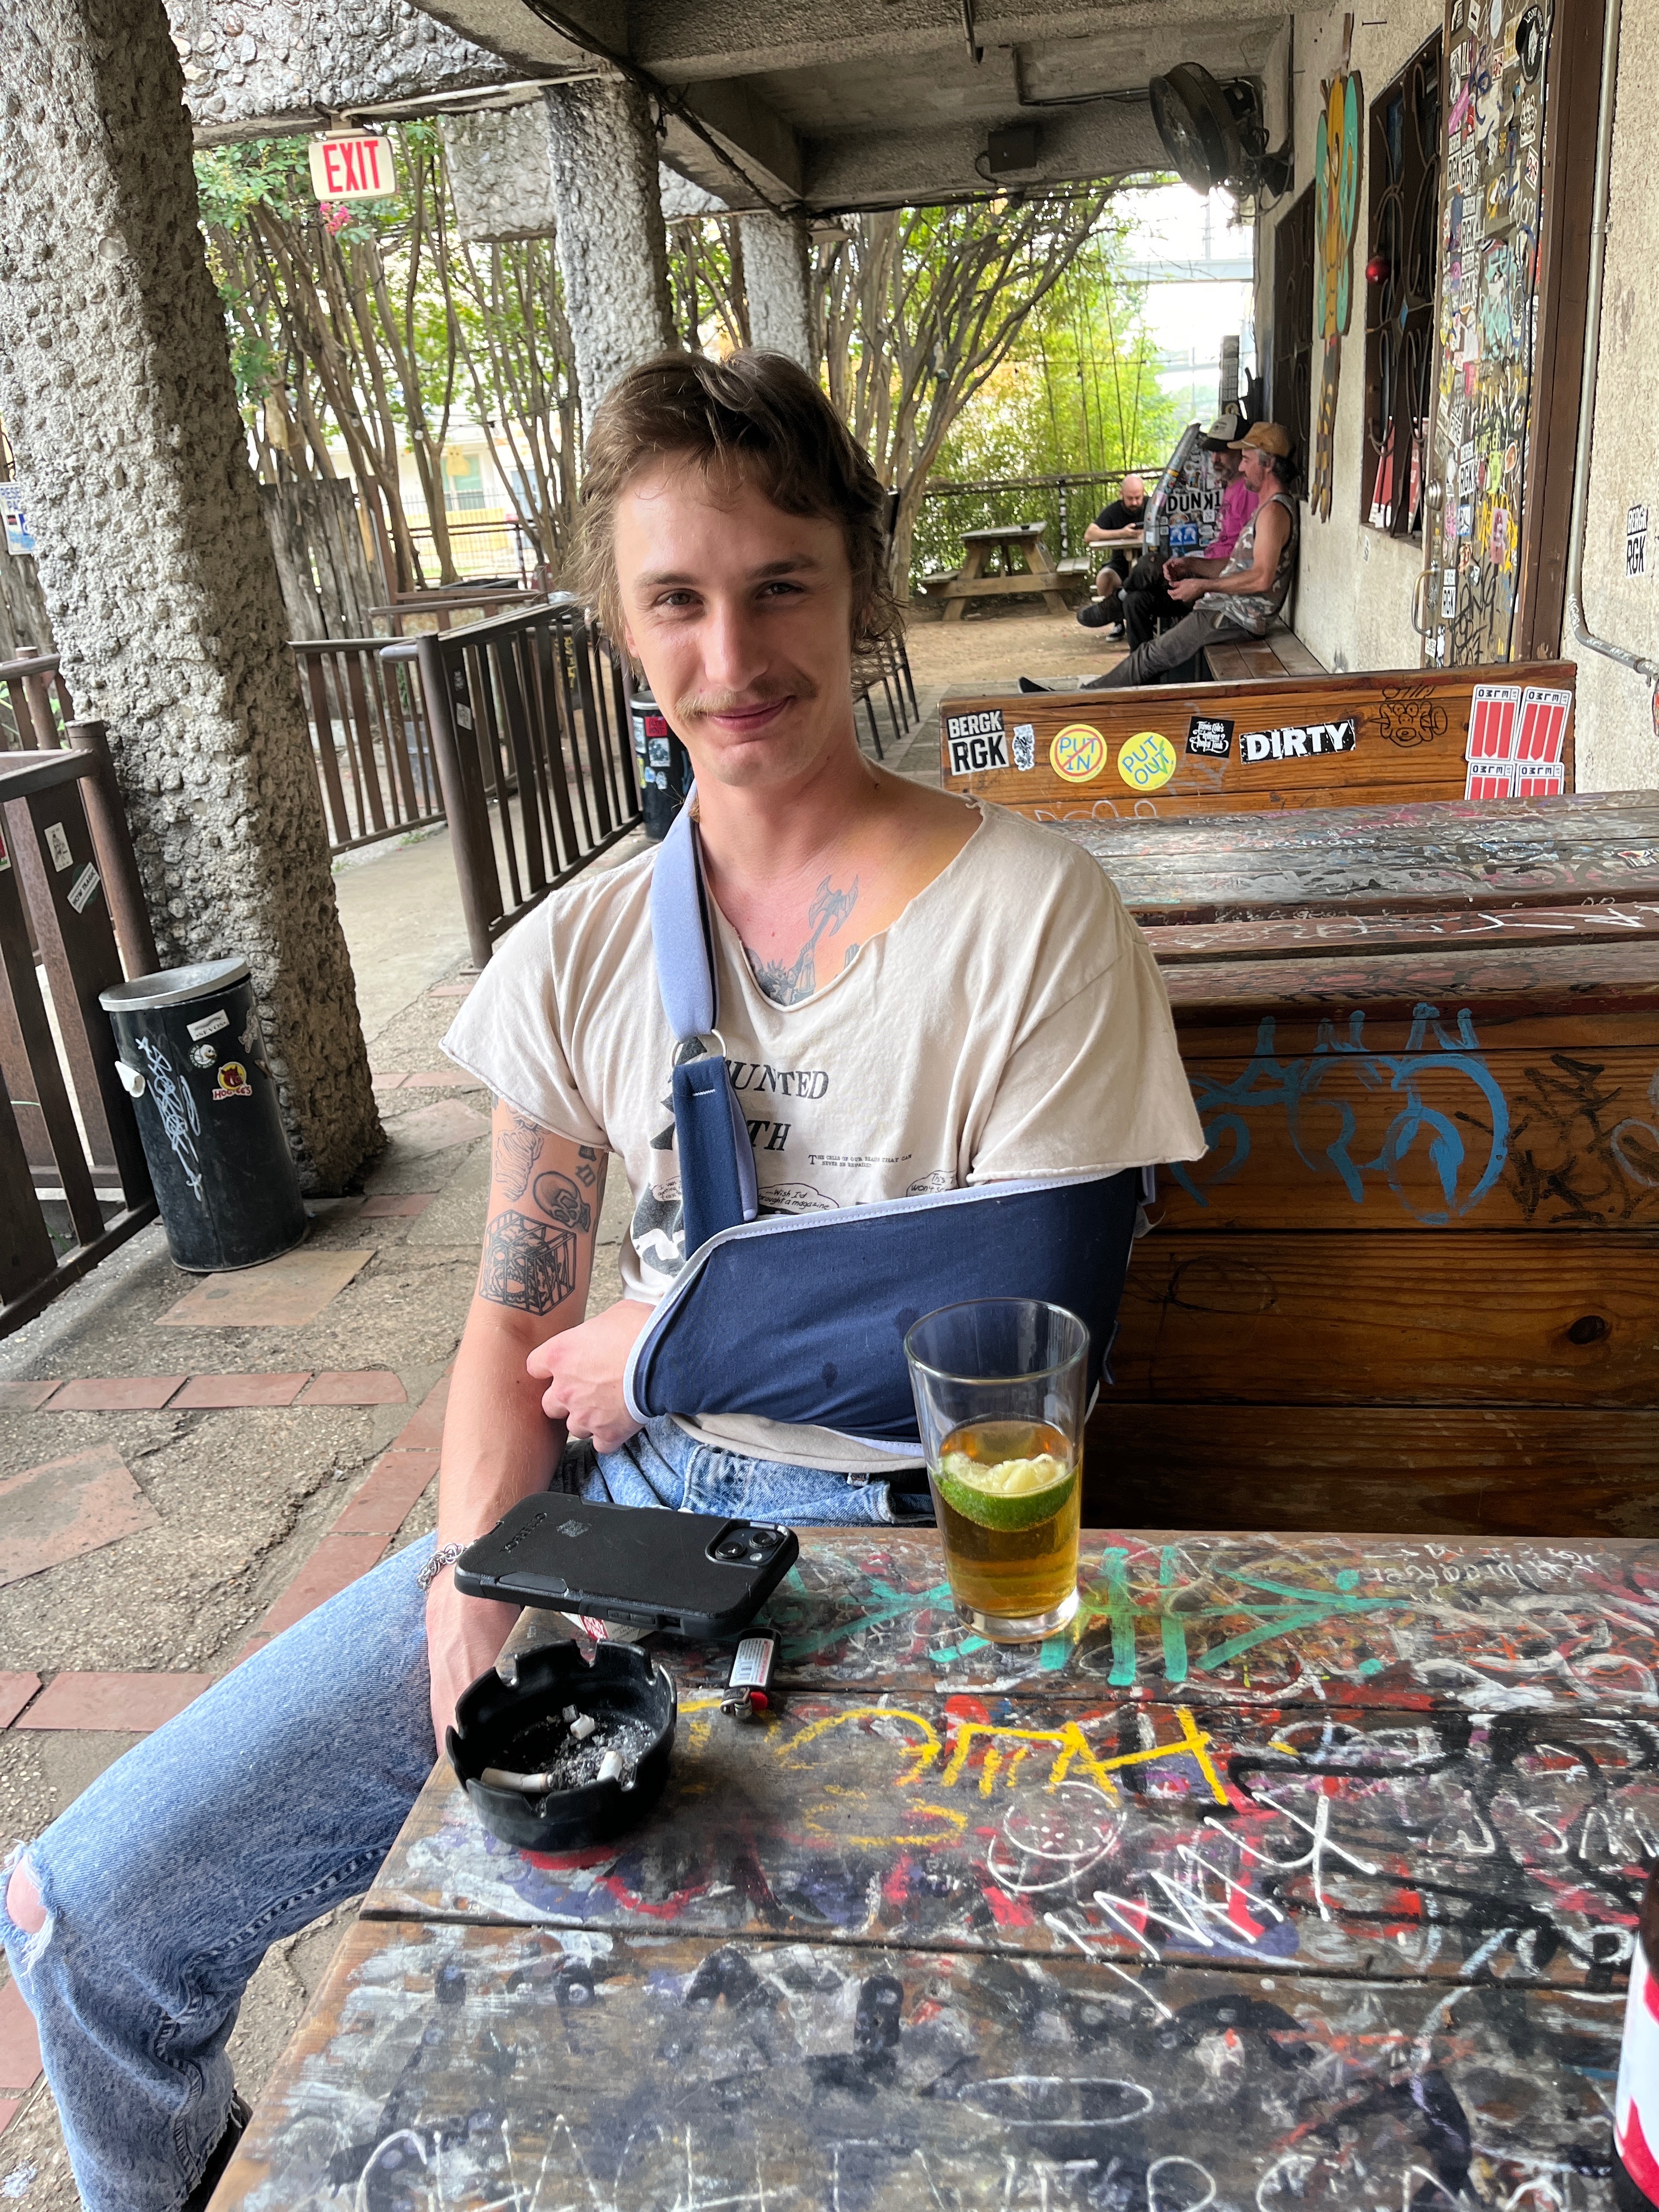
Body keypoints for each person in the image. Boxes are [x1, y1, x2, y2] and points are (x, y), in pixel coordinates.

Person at [0, 351, 1205, 2212]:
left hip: (893, 1551)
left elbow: (1040, 1307)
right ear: (620, 628)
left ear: (858, 583)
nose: (734, 653)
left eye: (780, 585)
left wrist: (678, 1341)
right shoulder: (577, 954)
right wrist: (468, 1588)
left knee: (721, 2093)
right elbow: (515, 1314)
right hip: (612, 1524)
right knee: (81, 1913)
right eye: (677, 601)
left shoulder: (1034, 918)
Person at [1022, 421, 1299, 693]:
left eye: (1247, 460)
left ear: (1268, 464)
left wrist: (1203, 585)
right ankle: (1097, 689)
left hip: (1238, 617)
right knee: (1144, 630)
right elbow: (1237, 566)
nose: (1241, 467)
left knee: (1150, 656)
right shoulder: (1267, 507)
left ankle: (1077, 700)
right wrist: (1191, 565)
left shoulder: (1274, 512)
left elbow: (1261, 578)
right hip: (1228, 609)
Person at [1120, 413, 1258, 652]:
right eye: (1212, 453)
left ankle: (1116, 600)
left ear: (1242, 453)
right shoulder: (1230, 486)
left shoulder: (1250, 493)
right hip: (1204, 575)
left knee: (1150, 565)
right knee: (1135, 602)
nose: (1215, 459)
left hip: (1216, 584)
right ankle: (1143, 671)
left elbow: (1245, 562)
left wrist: (1197, 571)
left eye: (1221, 452)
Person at [1074, 472, 1147, 635]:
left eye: (1138, 497)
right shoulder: (1113, 511)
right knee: (1104, 579)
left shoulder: (1154, 507)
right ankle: (1118, 622)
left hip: (1149, 563)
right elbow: (1089, 535)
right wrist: (1122, 533)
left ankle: (1146, 622)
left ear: (1144, 493)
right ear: (1121, 494)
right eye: (1130, 498)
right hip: (1120, 564)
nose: (1135, 502)